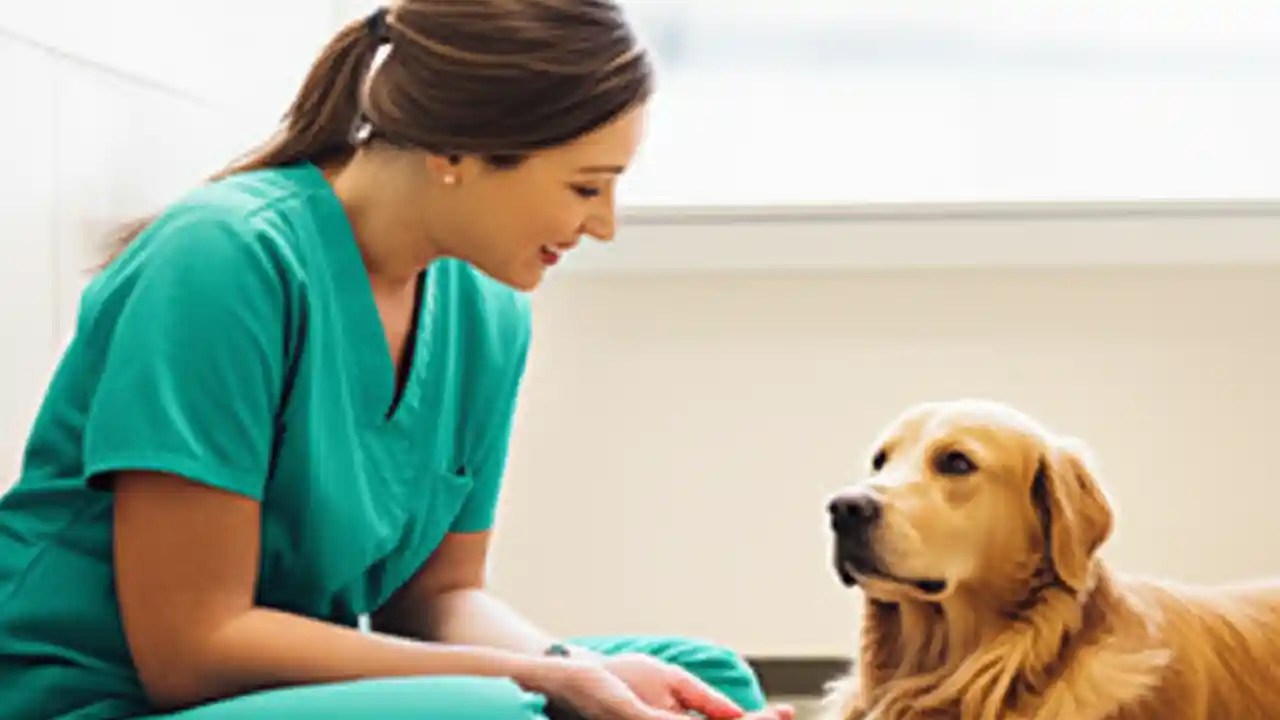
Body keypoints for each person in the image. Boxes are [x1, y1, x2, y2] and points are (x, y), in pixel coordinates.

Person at [0, 2, 796, 719]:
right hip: (103, 695)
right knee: (492, 715)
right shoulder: (223, 260)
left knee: (700, 679)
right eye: (586, 188)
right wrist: (542, 680)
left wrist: (574, 669)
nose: (605, 225)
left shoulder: (487, 309)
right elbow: (191, 652)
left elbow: (442, 596)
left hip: (265, 690)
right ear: (458, 149)